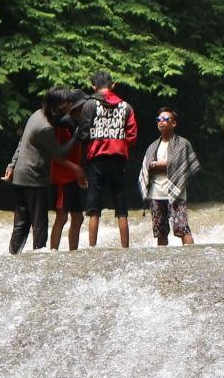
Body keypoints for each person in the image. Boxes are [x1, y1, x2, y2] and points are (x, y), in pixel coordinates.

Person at [2, 90, 72, 254]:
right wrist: (76, 135)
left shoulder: (36, 115)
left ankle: (13, 254)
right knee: (39, 224)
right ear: (58, 105)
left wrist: (12, 165)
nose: (70, 105)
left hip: (20, 176)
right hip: (34, 178)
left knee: (21, 223)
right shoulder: (45, 128)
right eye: (67, 103)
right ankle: (38, 258)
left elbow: (22, 141)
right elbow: (59, 153)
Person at [83, 71, 138, 248]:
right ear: (113, 85)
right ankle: (125, 247)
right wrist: (119, 144)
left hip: (96, 159)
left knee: (94, 206)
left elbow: (83, 132)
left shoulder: (90, 105)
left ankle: (92, 247)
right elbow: (132, 137)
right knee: (121, 205)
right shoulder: (126, 107)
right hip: (118, 159)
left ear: (93, 87)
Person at [138, 108, 201, 245]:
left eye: (166, 119)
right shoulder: (152, 146)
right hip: (156, 194)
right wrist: (163, 165)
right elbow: (147, 168)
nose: (162, 122)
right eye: (159, 119)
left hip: (176, 193)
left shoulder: (183, 144)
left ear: (174, 123)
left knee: (183, 228)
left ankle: (193, 259)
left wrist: (157, 165)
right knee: (160, 232)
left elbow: (183, 165)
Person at [48, 87, 88, 251]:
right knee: (62, 216)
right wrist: (77, 169)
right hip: (62, 177)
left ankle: (73, 253)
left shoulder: (76, 124)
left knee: (78, 218)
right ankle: (54, 252)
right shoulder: (62, 124)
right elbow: (55, 154)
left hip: (72, 177)